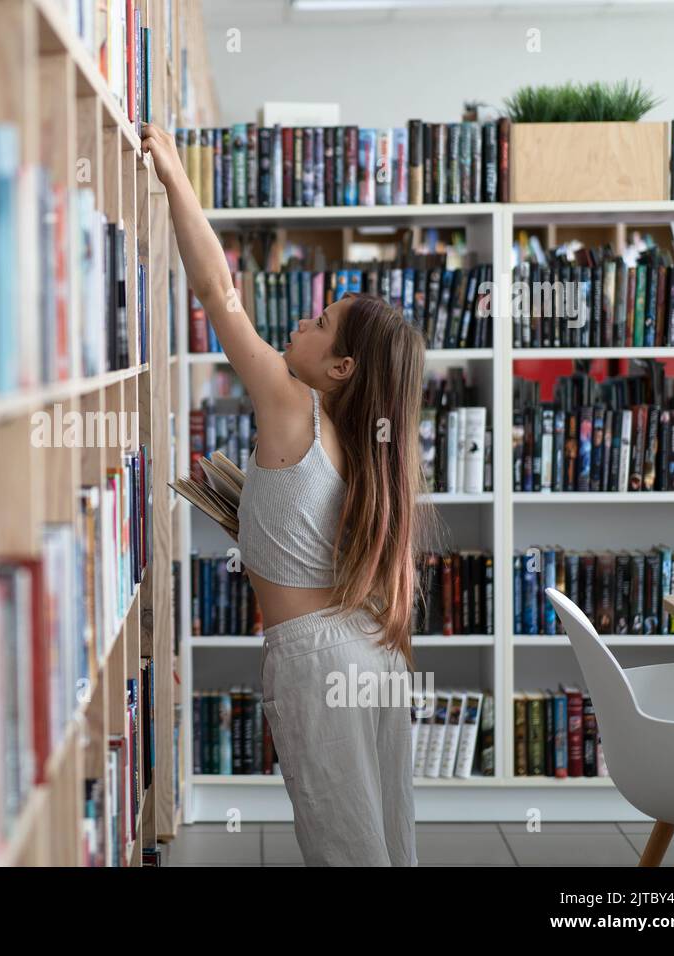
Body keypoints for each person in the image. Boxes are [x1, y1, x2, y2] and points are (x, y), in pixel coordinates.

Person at [141, 123, 427, 866]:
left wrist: (175, 175)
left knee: (342, 844)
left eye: (321, 322)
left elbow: (217, 293)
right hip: (368, 649)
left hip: (320, 661)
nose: (304, 320)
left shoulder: (292, 404)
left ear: (340, 368)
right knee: (386, 840)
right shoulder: (364, 441)